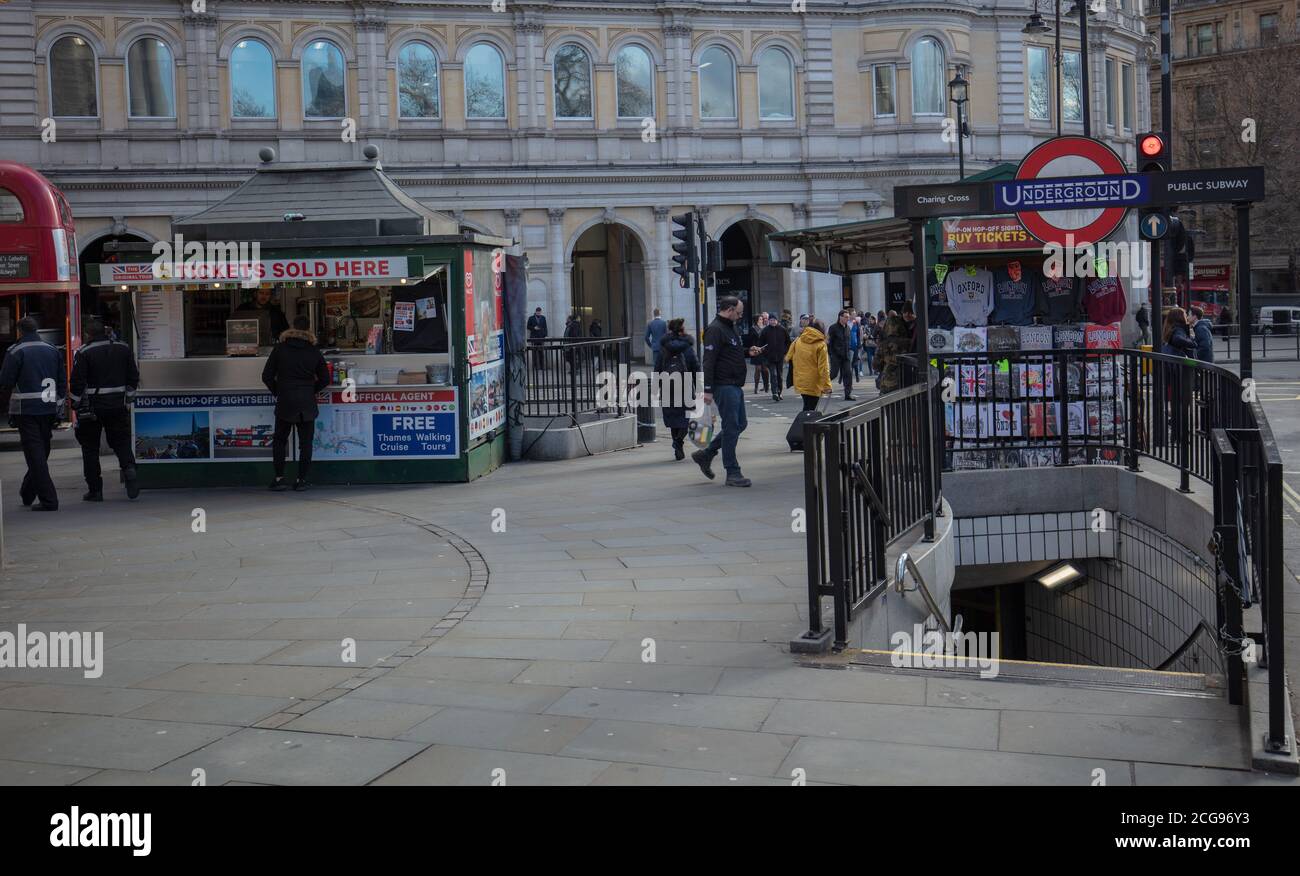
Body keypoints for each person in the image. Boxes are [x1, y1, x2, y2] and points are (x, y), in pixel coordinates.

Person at [70, 317, 140, 502]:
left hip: (92, 408)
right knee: (120, 441)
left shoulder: (84, 352)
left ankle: (95, 490)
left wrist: (75, 403)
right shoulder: (123, 348)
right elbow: (133, 376)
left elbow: (77, 383)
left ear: (88, 334)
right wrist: (128, 398)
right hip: (117, 404)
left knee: (90, 448)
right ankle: (129, 469)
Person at [0, 316, 66, 510]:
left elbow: (6, 381)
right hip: (48, 409)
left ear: (20, 331)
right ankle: (28, 492)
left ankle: (49, 500)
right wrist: (59, 407)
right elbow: (62, 381)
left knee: (35, 455)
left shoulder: (15, 351)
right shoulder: (52, 350)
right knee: (41, 452)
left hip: (26, 410)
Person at [692, 295, 757, 488]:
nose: (740, 316)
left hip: (734, 384)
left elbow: (730, 351)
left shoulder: (729, 327)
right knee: (731, 427)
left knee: (740, 424)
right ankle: (732, 472)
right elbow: (709, 361)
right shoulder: (715, 329)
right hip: (724, 385)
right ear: (729, 310)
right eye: (738, 312)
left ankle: (706, 453)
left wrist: (748, 351)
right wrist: (708, 390)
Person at [262, 316, 329, 491]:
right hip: (307, 402)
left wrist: (279, 391)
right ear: (309, 330)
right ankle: (301, 481)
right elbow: (325, 378)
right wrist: (310, 390)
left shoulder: (280, 349)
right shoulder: (313, 351)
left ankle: (279, 478)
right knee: (306, 443)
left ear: (292, 328)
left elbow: (266, 376)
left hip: (285, 400)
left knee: (279, 440)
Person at [653, 318, 699, 461]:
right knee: (687, 418)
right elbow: (696, 368)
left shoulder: (663, 348)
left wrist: (655, 389)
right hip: (684, 386)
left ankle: (677, 445)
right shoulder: (687, 347)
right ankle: (678, 441)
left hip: (668, 387)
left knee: (673, 418)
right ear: (681, 330)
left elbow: (658, 369)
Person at [785, 318, 831, 410]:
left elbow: (788, 357)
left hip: (800, 379)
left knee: (807, 406)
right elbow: (823, 367)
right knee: (811, 408)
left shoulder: (798, 340)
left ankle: (805, 423)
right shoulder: (821, 344)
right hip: (814, 382)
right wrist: (827, 385)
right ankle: (804, 424)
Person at [876, 313, 912, 393]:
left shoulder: (884, 344)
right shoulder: (909, 343)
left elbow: (876, 365)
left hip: (888, 382)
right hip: (906, 381)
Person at [760, 312, 790, 401]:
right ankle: (774, 392)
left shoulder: (782, 330)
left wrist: (786, 353)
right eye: (771, 320)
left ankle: (779, 392)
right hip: (770, 357)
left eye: (774, 320)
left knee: (779, 376)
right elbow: (761, 344)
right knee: (773, 374)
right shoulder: (765, 331)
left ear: (777, 321)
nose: (773, 322)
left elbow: (788, 342)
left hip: (780, 356)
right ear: (769, 321)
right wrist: (764, 353)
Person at [827, 310, 856, 401]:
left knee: (848, 374)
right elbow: (828, 342)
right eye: (846, 317)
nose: (848, 318)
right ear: (840, 317)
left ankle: (848, 394)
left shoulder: (847, 328)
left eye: (848, 317)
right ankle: (820, 386)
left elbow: (848, 342)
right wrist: (831, 354)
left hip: (846, 356)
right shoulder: (833, 328)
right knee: (833, 374)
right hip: (836, 355)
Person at [745, 312, 769, 395]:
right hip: (756, 351)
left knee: (765, 369)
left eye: (762, 319)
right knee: (758, 369)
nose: (761, 321)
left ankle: (766, 386)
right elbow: (750, 340)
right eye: (760, 319)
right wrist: (753, 347)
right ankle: (756, 387)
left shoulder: (766, 328)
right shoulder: (752, 329)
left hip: (764, 350)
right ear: (756, 320)